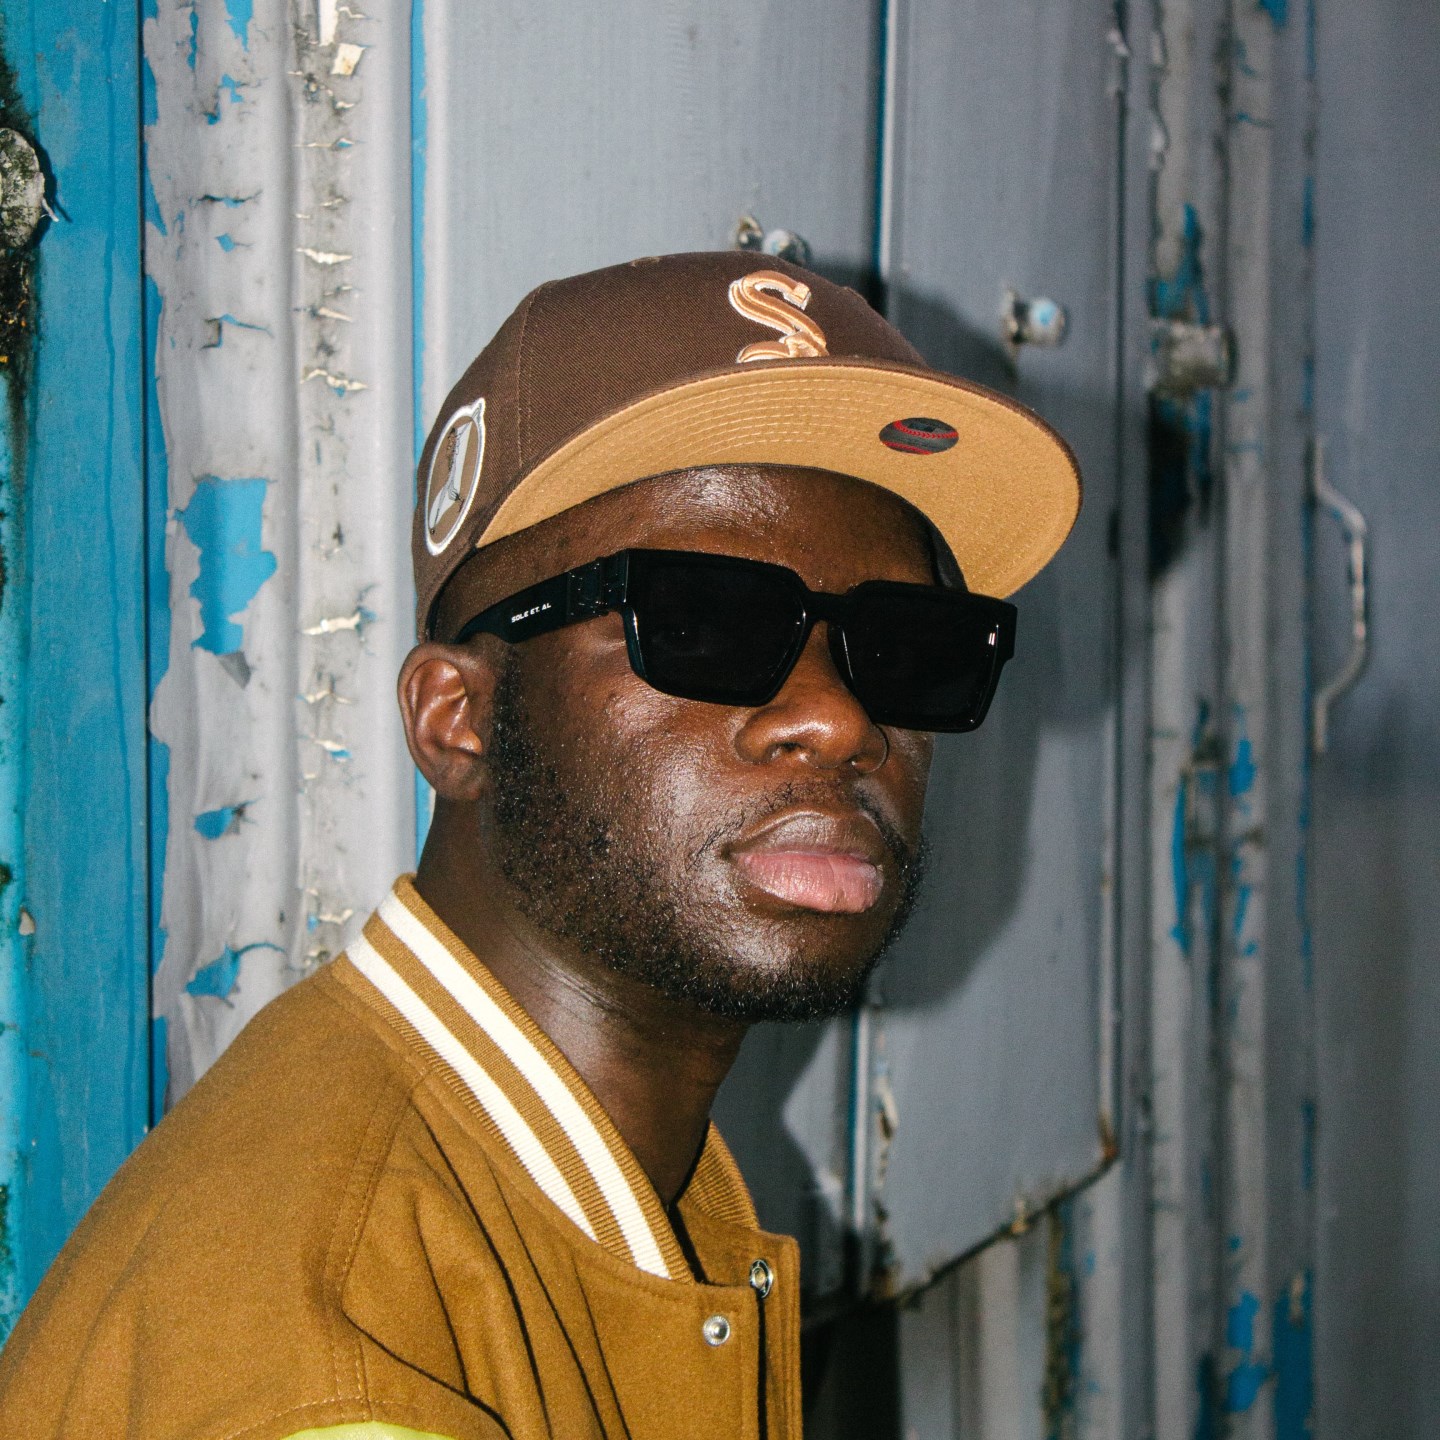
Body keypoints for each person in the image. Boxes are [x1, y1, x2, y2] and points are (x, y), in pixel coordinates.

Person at [0, 251, 1078, 1439]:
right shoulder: (347, 1367)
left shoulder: (585, 1185)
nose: (840, 720)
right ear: (456, 719)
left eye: (909, 646)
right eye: (702, 621)